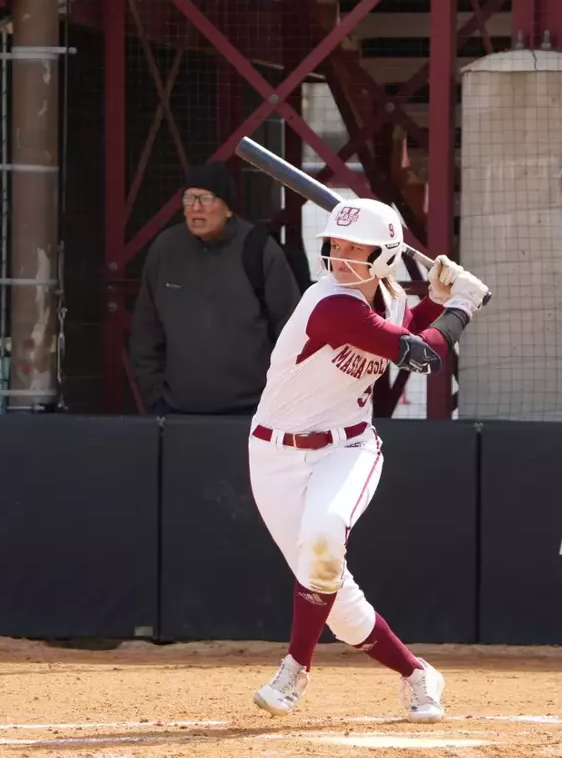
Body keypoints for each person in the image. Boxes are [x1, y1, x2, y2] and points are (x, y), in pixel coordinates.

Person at [248, 197, 485, 722]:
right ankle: (417, 674)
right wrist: (461, 306)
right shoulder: (329, 304)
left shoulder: (389, 303)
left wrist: (441, 298)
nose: (342, 257)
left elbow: (412, 326)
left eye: (358, 249)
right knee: (337, 596)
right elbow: (422, 352)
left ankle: (294, 670)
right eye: (337, 246)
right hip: (272, 455)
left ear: (385, 256)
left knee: (326, 531)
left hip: (347, 446)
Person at [130, 162, 301, 415]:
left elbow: (293, 331)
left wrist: (277, 402)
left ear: (229, 208)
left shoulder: (260, 250)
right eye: (189, 198)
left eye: (206, 198)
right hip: (177, 410)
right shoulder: (166, 249)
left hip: (253, 412)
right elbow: (145, 332)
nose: (196, 208)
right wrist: (155, 398)